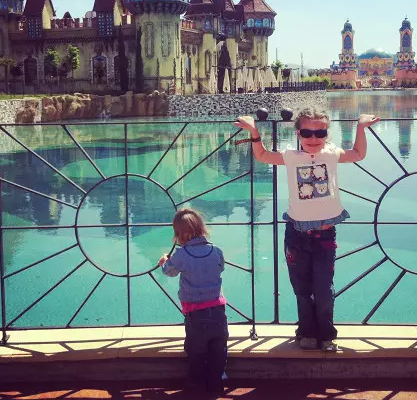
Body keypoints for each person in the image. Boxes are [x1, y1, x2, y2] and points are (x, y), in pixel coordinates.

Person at [235, 108, 379, 352]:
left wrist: (361, 127)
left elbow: (358, 154)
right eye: (307, 133)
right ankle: (306, 332)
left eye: (320, 132)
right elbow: (262, 156)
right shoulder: (290, 155)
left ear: (327, 133)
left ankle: (326, 333)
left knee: (324, 289)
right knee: (301, 288)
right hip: (296, 233)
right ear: (298, 133)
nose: (314, 138)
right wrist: (253, 131)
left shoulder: (332, 153)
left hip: (325, 235)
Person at [158, 208, 228, 394]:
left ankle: (196, 384)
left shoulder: (181, 255)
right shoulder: (216, 250)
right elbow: (220, 268)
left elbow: (170, 271)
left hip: (195, 313)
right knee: (218, 348)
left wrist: (164, 261)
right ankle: (216, 382)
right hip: (218, 311)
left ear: (180, 235)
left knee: (196, 350)